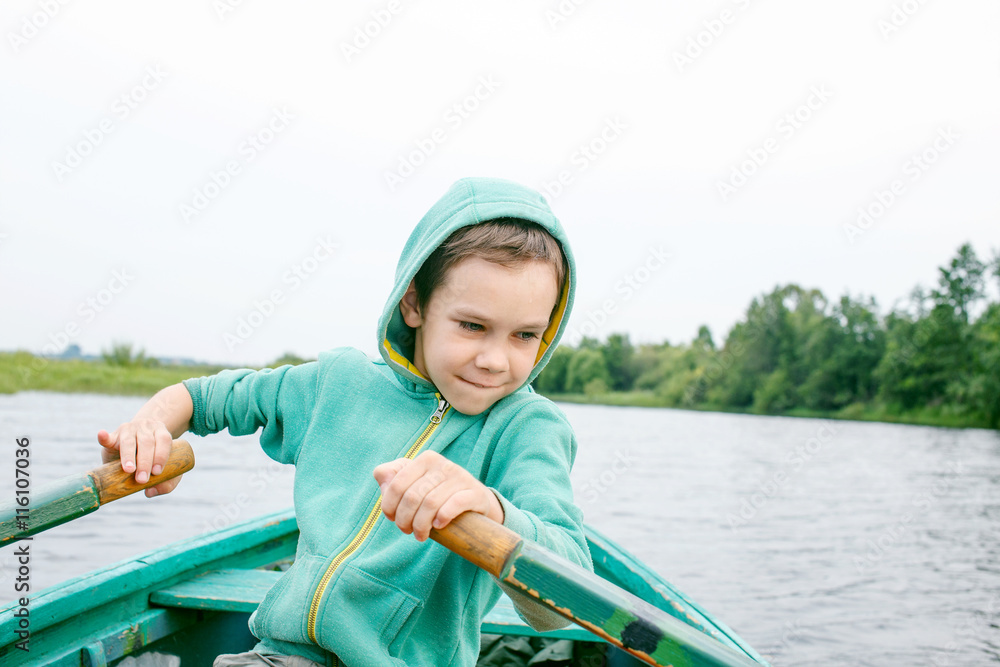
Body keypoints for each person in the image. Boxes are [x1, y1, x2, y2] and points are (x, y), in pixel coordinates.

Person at [97, 177, 593, 666]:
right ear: (414, 302)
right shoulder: (339, 383)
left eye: (525, 335)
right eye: (472, 326)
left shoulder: (528, 428)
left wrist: (493, 511)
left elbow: (564, 596)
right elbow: (202, 398)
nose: (494, 360)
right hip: (277, 657)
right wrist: (151, 425)